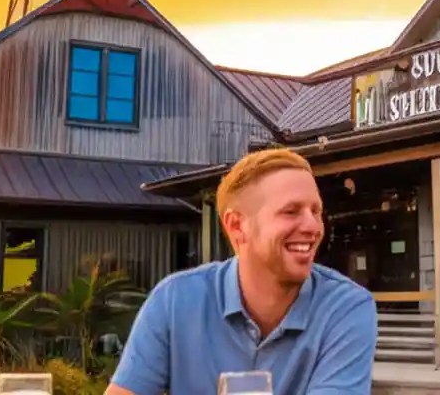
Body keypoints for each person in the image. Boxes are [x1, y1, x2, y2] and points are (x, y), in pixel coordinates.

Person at [106, 148, 377, 394]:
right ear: (237, 226)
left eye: (316, 211)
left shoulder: (346, 307)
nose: (313, 226)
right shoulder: (175, 300)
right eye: (291, 211)